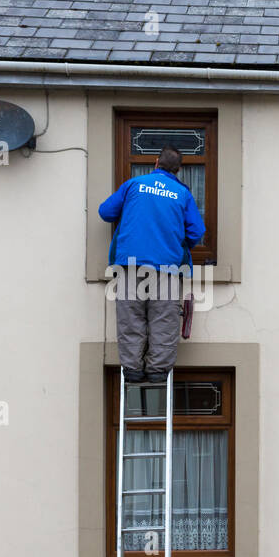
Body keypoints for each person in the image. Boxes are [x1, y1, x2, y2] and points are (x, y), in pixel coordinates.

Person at [99, 145, 205, 383]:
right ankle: (158, 371)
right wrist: (177, 241)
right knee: (164, 320)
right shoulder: (182, 193)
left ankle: (133, 370)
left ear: (156, 162)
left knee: (130, 318)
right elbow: (196, 231)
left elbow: (106, 212)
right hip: (166, 267)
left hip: (130, 264)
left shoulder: (134, 185)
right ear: (177, 170)